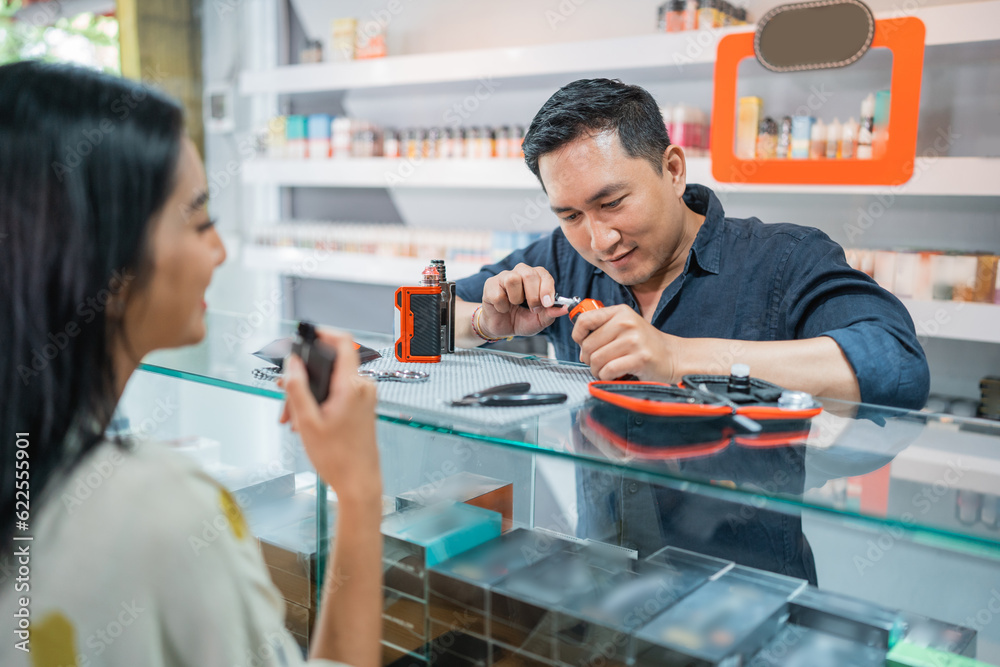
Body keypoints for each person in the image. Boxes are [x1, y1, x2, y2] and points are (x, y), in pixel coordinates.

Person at [0, 61, 382, 666]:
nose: (220, 250)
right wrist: (359, 489)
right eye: (200, 220)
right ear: (108, 261)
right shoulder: (163, 510)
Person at [455, 78, 929, 410]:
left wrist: (677, 358)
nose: (600, 241)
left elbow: (898, 365)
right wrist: (485, 323)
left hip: (739, 527)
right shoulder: (560, 258)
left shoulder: (782, 258)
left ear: (674, 170)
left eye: (613, 202)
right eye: (571, 215)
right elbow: (423, 317)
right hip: (606, 529)